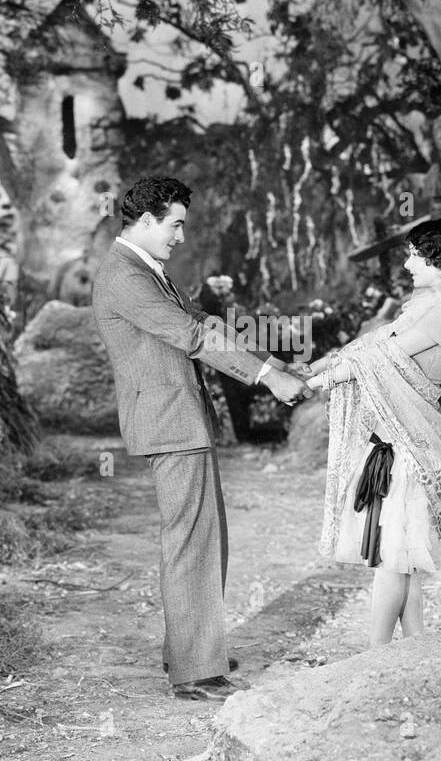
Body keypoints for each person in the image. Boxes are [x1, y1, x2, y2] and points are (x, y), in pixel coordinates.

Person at [91, 177, 312, 702]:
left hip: (180, 419)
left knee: (204, 537)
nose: (181, 237)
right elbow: (192, 338)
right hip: (167, 421)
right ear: (145, 221)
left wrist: (274, 363)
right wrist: (269, 380)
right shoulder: (123, 275)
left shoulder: (146, 269)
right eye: (175, 225)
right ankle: (194, 671)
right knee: (190, 540)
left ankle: (195, 649)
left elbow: (205, 321)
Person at [300, 218, 441, 647]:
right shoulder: (434, 308)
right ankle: (416, 648)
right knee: (402, 559)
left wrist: (312, 384)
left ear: (439, 260)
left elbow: (380, 358)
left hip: (408, 451)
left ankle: (377, 655)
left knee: (393, 560)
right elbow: (370, 349)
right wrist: (319, 367)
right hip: (399, 444)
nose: (407, 265)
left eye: (414, 256)